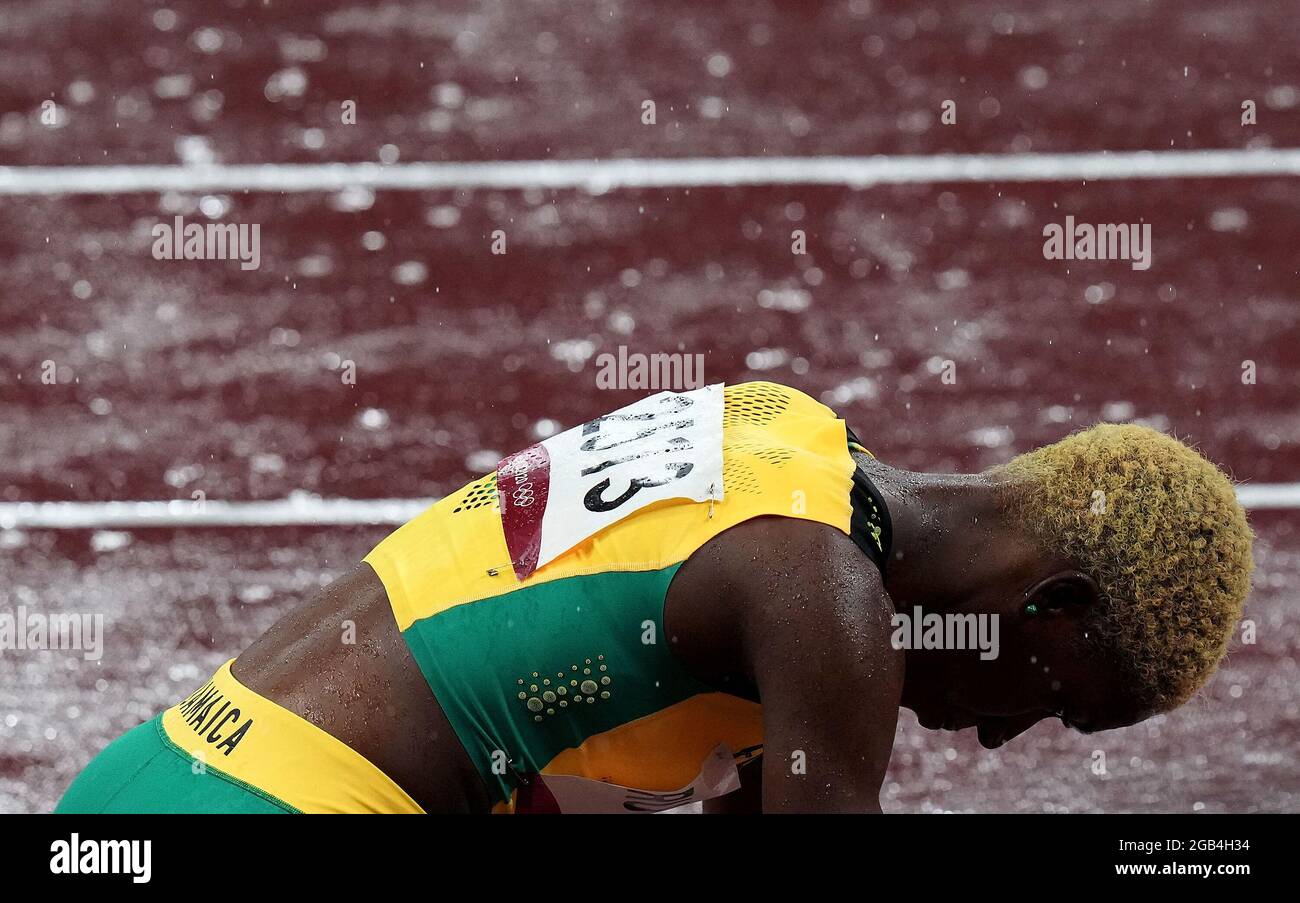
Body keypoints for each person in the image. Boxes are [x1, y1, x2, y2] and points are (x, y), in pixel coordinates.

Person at [56, 381, 1253, 813]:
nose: (998, 733)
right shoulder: (826, 607)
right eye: (1058, 706)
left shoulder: (774, 429)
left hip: (141, 779)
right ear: (1054, 602)